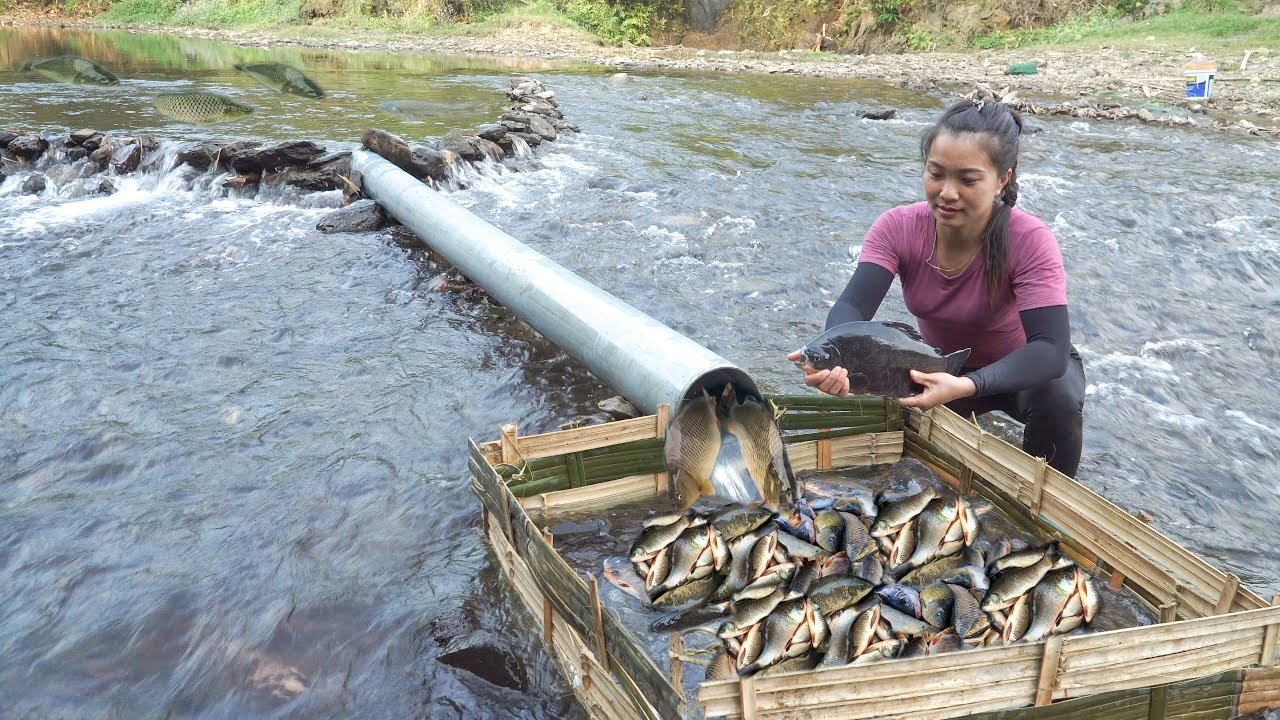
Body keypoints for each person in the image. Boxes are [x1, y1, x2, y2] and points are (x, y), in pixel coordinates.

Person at [788, 99, 1086, 477]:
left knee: (1058, 398)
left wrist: (967, 384)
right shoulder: (897, 227)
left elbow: (1050, 349)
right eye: (936, 173)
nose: (947, 192)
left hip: (1022, 371)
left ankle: (1049, 508)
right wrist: (835, 354)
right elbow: (853, 306)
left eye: (968, 179)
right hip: (939, 365)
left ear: (1002, 180)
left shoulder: (1029, 240)